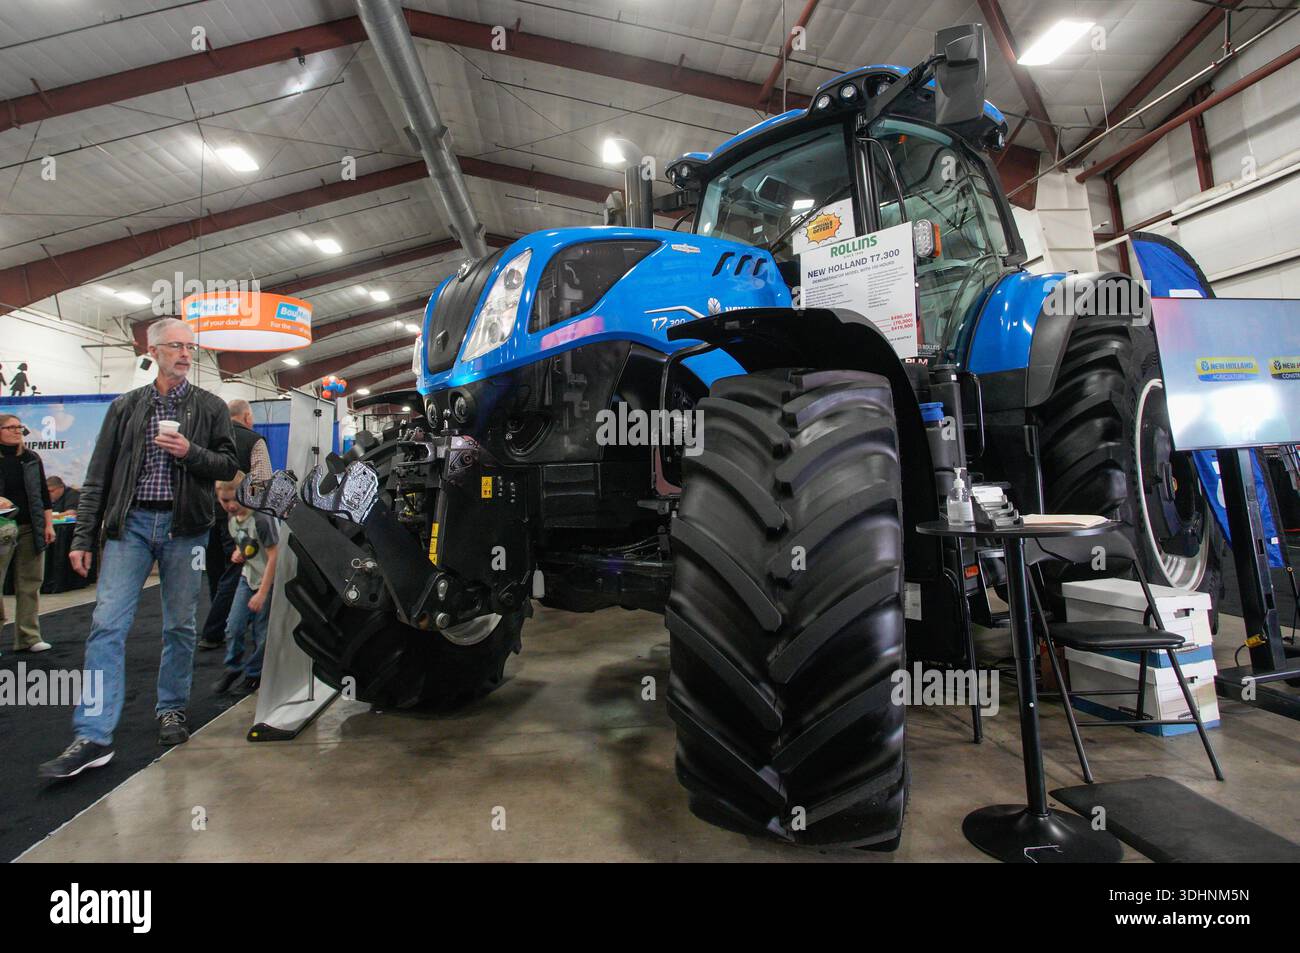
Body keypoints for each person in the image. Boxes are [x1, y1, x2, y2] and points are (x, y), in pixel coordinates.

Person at [38, 318, 238, 780]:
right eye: (176, 346)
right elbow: (98, 476)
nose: (186, 354)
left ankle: (171, 708)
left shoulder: (210, 407)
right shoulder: (126, 407)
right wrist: (84, 536)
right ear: (153, 350)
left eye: (192, 347)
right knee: (106, 626)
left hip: (185, 529)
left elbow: (228, 463)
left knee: (181, 626)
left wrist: (190, 451)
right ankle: (93, 734)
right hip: (128, 528)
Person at [197, 399, 271, 651]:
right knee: (235, 572)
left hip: (208, 512)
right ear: (247, 416)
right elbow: (262, 482)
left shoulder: (207, 438)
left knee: (216, 571)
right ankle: (214, 630)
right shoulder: (254, 440)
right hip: (239, 515)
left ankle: (224, 624)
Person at [212, 473, 278, 696]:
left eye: (233, 500)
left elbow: (274, 557)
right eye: (224, 501)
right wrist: (239, 553)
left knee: (262, 633)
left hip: (266, 583)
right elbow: (250, 545)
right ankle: (232, 667)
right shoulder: (233, 521)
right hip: (247, 578)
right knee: (233, 626)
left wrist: (262, 593)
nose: (230, 506)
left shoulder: (261, 519)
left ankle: (254, 674)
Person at [0, 414, 56, 654]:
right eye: (10, 427)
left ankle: (28, 636)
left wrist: (48, 524)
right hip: (2, 528)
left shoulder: (31, 458)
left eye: (19, 427)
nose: (16, 431)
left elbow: (43, 494)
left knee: (30, 583)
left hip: (29, 527)